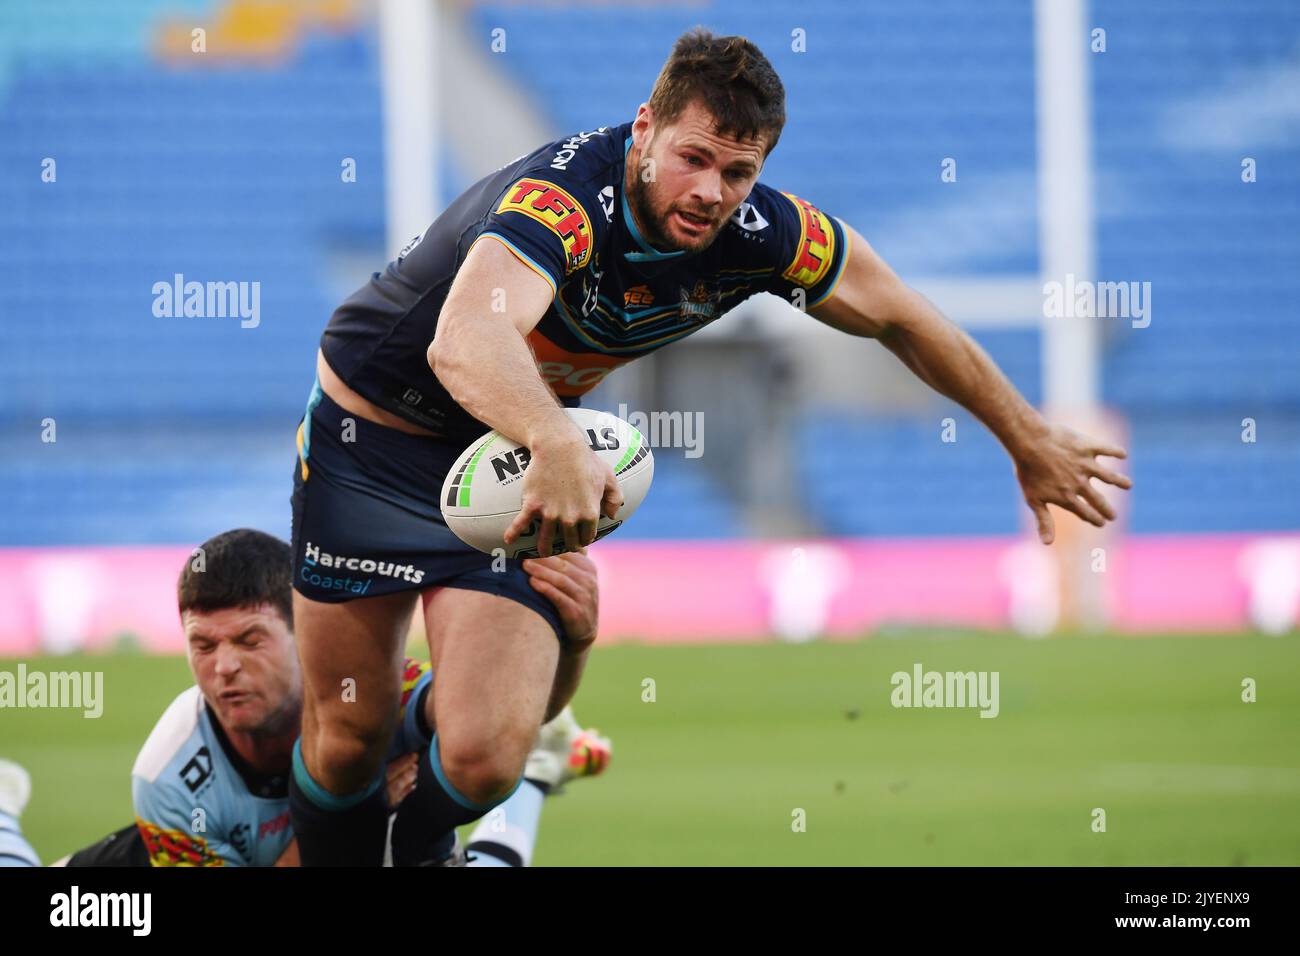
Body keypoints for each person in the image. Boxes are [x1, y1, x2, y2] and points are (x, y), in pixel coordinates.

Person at [289, 27, 1132, 865]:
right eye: (693, 157)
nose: (711, 191)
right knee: (345, 737)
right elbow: (463, 340)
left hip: (510, 467)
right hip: (374, 443)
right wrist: (554, 435)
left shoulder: (762, 233)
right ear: (645, 126)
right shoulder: (565, 199)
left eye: (739, 171)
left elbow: (900, 315)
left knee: (485, 758)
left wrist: (1025, 436)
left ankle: (414, 836)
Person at [9, 528, 609, 868]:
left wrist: (576, 642)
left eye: (250, 640)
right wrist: (366, 806)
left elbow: (503, 720)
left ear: (304, 635)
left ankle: (536, 771)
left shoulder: (372, 687)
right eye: (203, 645)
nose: (223, 668)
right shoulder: (169, 778)